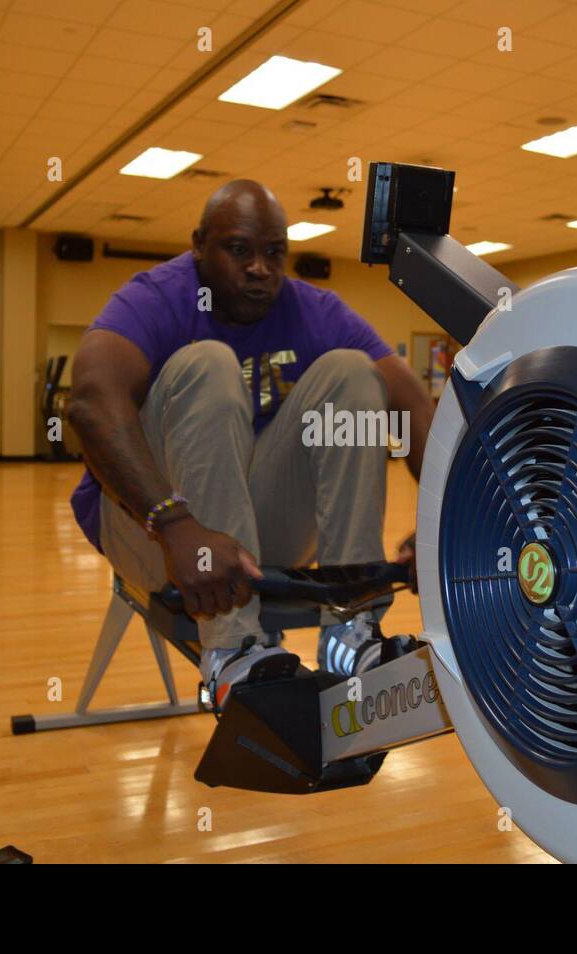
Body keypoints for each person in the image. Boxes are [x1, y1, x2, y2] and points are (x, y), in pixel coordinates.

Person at [68, 180, 436, 707]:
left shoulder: (311, 310)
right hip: (152, 534)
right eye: (239, 250)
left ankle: (349, 631)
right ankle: (231, 651)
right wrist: (174, 524)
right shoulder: (158, 297)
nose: (259, 268)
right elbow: (88, 402)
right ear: (199, 245)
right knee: (208, 362)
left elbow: (415, 406)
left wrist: (445, 527)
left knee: (355, 374)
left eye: (273, 253)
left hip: (250, 542)